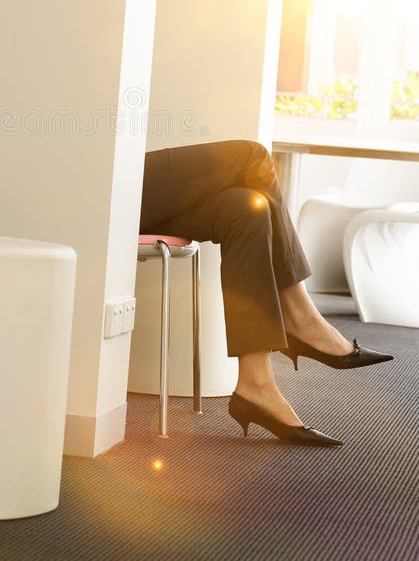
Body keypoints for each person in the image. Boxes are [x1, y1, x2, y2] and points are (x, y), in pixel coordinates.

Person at [140, 140, 393, 446]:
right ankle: (301, 318)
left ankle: (255, 382)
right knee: (253, 156)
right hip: (97, 176)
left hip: (124, 171)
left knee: (248, 209)